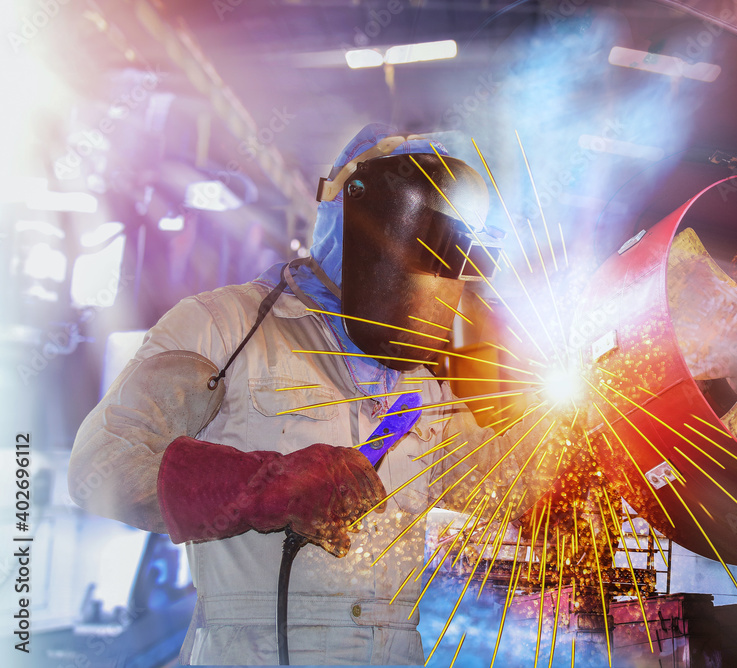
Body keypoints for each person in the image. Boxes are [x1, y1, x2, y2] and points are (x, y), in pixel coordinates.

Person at [69, 124, 555, 665]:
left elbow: (500, 480)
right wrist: (265, 486)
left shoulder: (419, 387)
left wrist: (571, 441)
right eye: (420, 245)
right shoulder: (224, 328)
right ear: (366, 225)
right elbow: (101, 466)